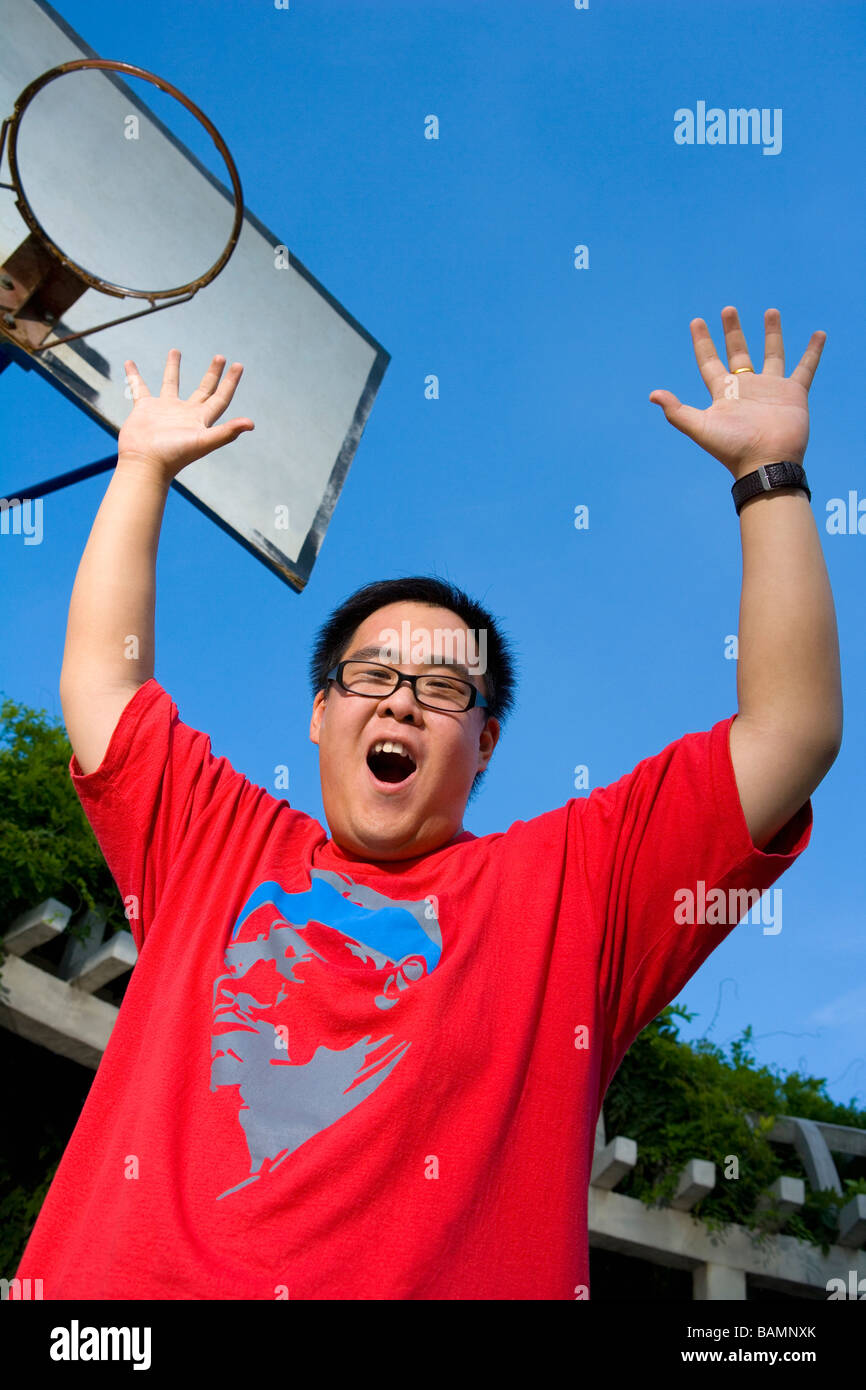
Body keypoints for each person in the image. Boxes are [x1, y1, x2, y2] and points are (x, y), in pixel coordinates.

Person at [14, 308, 842, 1299]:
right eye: (372, 672)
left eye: (446, 685)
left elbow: (789, 733)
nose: (403, 694)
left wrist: (768, 479)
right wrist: (141, 467)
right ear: (320, 715)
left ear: (483, 741)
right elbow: (103, 688)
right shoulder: (213, 844)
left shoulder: (571, 892)